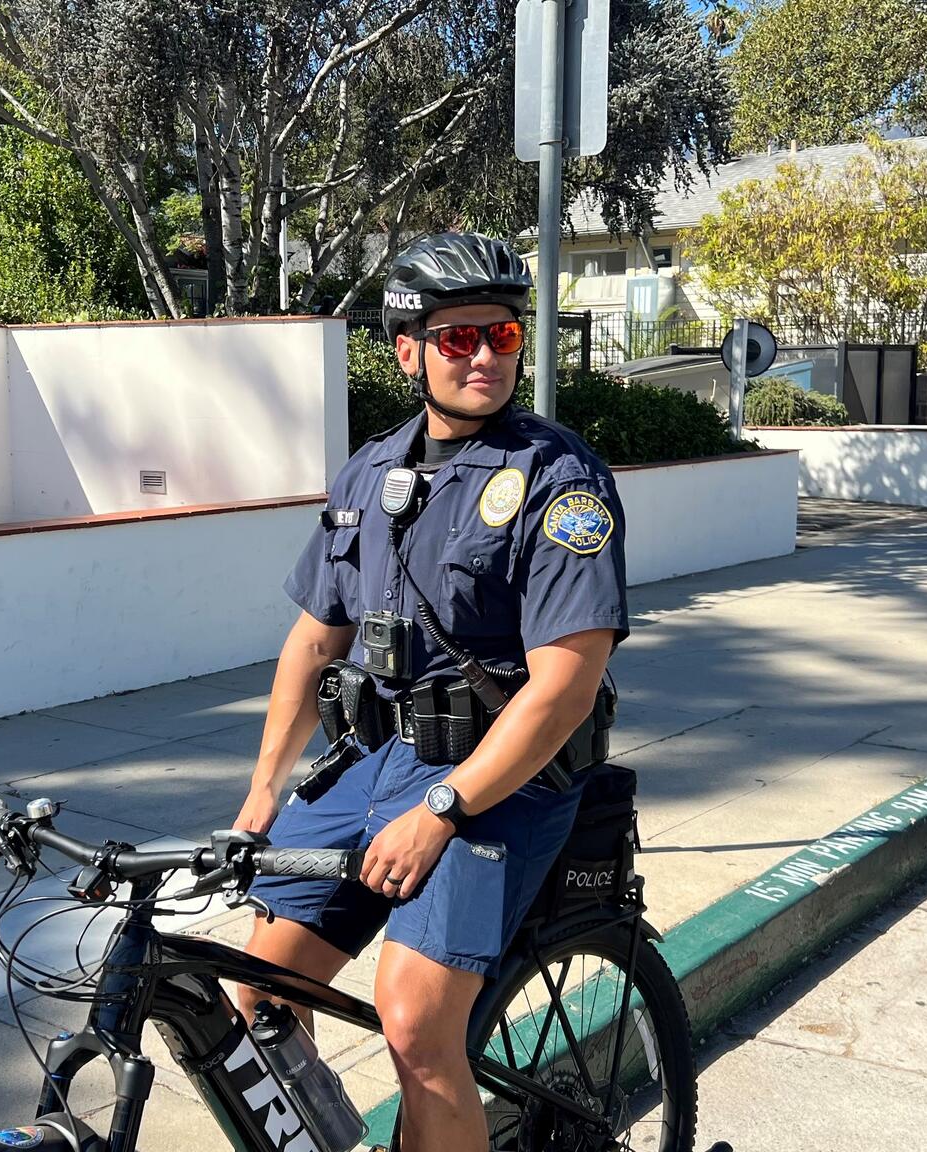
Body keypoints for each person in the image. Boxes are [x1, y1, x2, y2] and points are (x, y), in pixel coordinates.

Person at [231, 231, 629, 1151]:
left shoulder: (558, 480)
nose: (486, 355)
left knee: (414, 1025)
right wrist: (264, 788)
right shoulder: (371, 471)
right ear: (408, 350)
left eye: (503, 334)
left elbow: (566, 686)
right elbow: (314, 636)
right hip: (368, 762)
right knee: (250, 998)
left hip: (499, 781)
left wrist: (444, 809)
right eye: (459, 338)